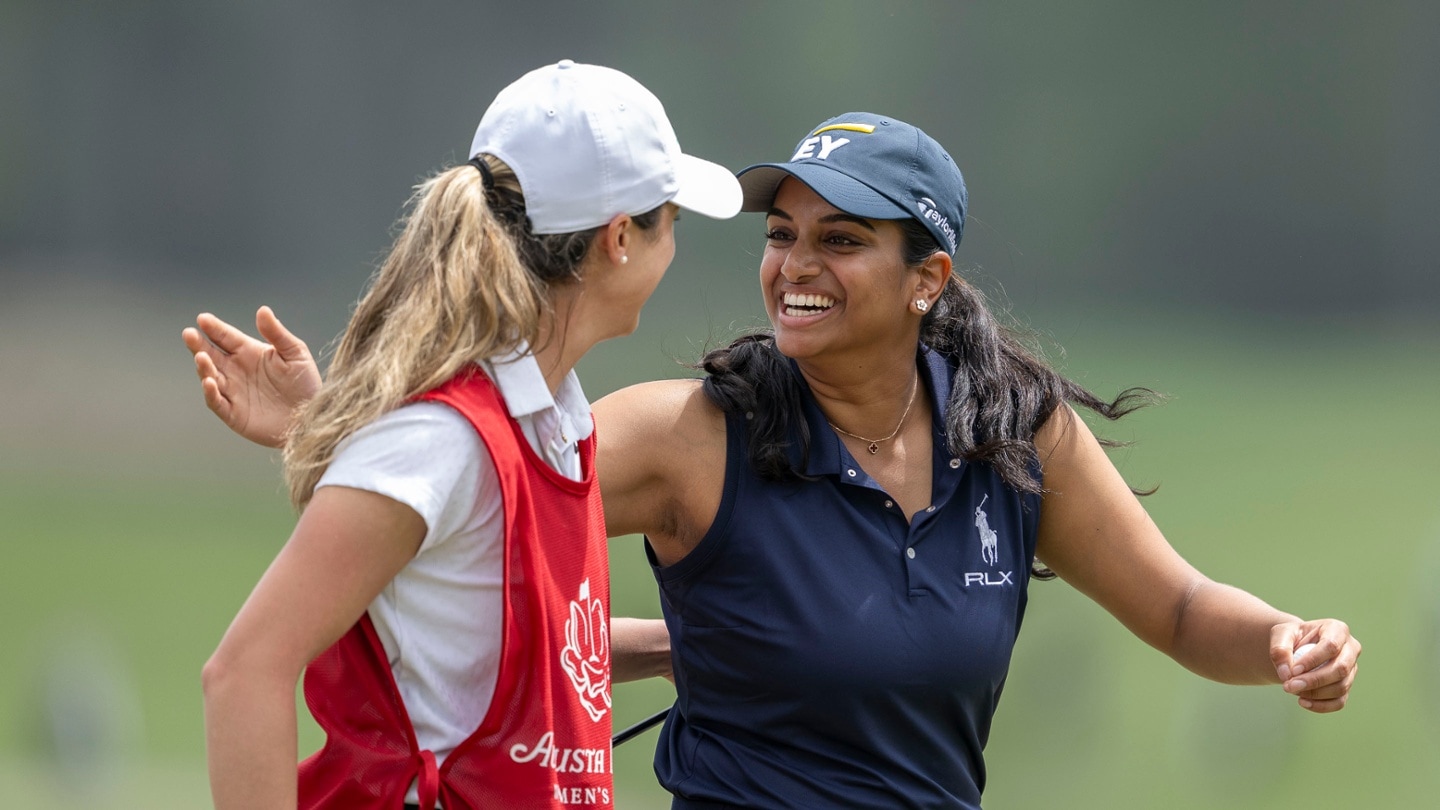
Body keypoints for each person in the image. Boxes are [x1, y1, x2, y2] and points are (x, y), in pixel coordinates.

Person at [186, 112, 1361, 809]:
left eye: (841, 240)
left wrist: (1280, 643)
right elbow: (468, 509)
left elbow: (1180, 608)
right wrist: (330, 430)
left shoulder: (1014, 435)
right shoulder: (696, 436)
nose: (796, 264)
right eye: (782, 234)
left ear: (928, 278)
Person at [190, 60, 741, 810]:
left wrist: (672, 651)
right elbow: (244, 672)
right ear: (618, 238)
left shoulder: (553, 427)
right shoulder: (442, 440)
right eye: (669, 222)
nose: (672, 247)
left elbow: (514, 654)